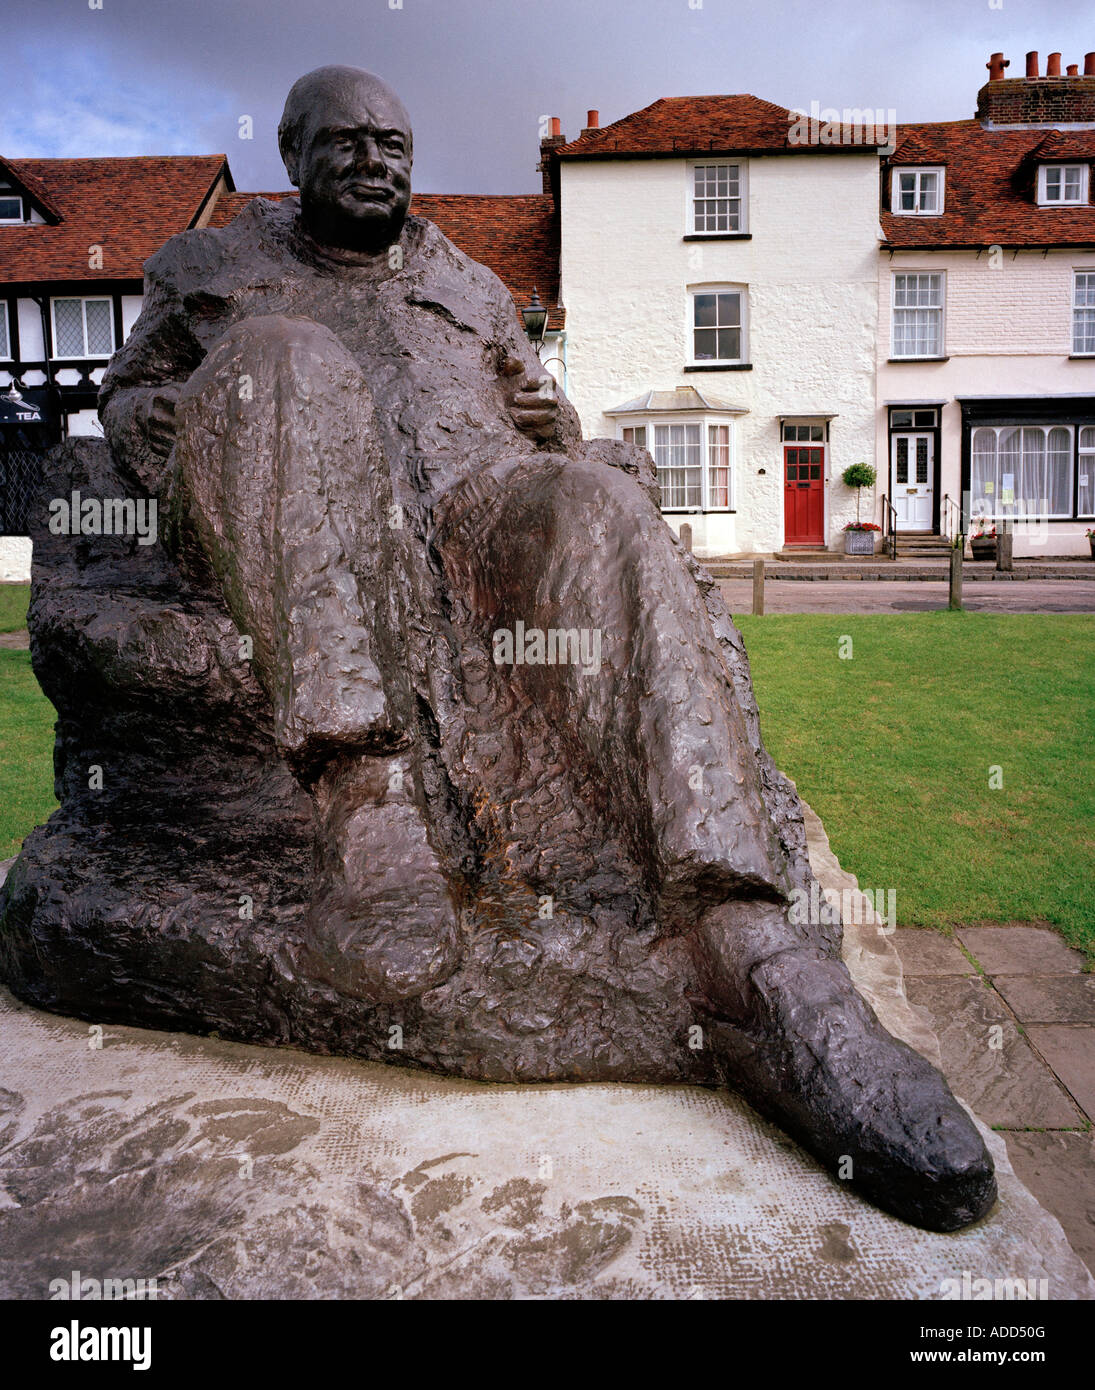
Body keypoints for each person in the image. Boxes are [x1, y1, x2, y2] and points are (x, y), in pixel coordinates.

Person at [96, 65, 995, 1231]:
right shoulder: (210, 268)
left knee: (595, 503)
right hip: (305, 501)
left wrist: (564, 450)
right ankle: (367, 813)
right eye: (348, 143)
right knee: (280, 367)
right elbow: (129, 405)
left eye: (394, 143)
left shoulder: (465, 281)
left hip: (475, 513)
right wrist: (201, 434)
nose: (377, 162)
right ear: (291, 154)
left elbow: (539, 413)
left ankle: (743, 937)